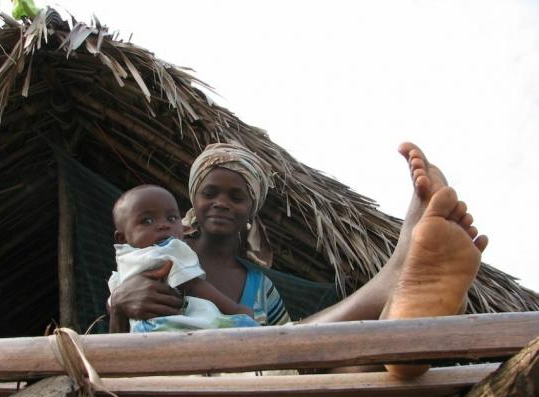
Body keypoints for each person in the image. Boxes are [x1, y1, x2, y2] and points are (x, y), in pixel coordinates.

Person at [108, 142, 488, 379]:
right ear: (194, 199)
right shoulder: (151, 261)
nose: (222, 202)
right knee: (304, 343)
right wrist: (118, 308)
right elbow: (110, 359)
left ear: (250, 210)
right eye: (210, 193)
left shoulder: (263, 288)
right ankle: (393, 288)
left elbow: (295, 362)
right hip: (175, 378)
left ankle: (399, 334)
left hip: (263, 379)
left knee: (326, 360)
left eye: (236, 197)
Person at [108, 184, 258, 332]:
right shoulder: (169, 250)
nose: (163, 225)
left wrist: (115, 305)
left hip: (142, 334)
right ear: (122, 238)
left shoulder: (124, 264)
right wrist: (237, 309)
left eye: (171, 218)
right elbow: (195, 285)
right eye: (147, 221)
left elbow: (112, 303)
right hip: (173, 327)